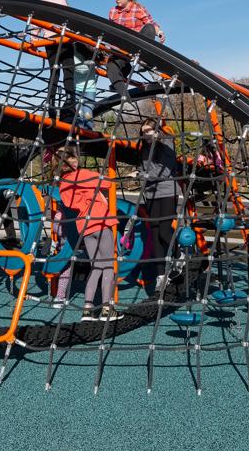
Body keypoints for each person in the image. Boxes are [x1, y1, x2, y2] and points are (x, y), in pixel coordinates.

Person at [55, 147, 122, 321]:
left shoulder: (62, 183)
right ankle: (107, 309)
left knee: (96, 266)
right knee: (108, 266)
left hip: (84, 224)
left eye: (75, 157)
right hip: (100, 220)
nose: (75, 161)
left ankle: (87, 308)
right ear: (66, 163)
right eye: (72, 158)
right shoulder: (82, 174)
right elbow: (108, 182)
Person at [136, 118, 181, 290]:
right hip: (151, 193)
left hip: (168, 191)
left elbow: (165, 171)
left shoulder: (167, 143)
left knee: (163, 230)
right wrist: (141, 173)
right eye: (144, 131)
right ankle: (161, 275)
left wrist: (143, 175)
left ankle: (179, 255)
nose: (146, 134)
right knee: (154, 235)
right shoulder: (144, 148)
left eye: (149, 130)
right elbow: (143, 168)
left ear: (157, 130)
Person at [104, 0, 165, 99]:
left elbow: (150, 23)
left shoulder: (138, 8)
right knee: (111, 66)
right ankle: (122, 92)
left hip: (137, 44)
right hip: (121, 47)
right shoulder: (113, 11)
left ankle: (144, 60)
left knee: (149, 28)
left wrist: (159, 32)